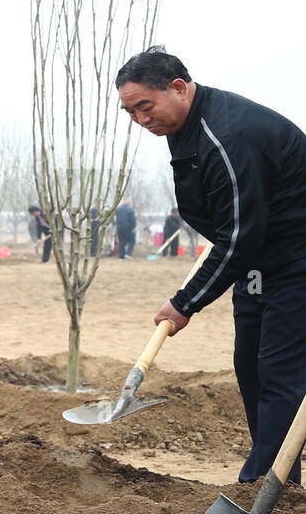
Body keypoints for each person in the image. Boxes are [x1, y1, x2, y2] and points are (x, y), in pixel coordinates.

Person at [116, 46, 306, 484]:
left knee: (280, 376)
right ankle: (281, 482)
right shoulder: (188, 128)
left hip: (295, 260)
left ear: (179, 88)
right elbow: (231, 229)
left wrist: (186, 302)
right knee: (252, 369)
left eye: (145, 106)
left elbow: (239, 236)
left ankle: (261, 487)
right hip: (260, 263)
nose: (141, 120)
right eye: (131, 113)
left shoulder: (229, 135)